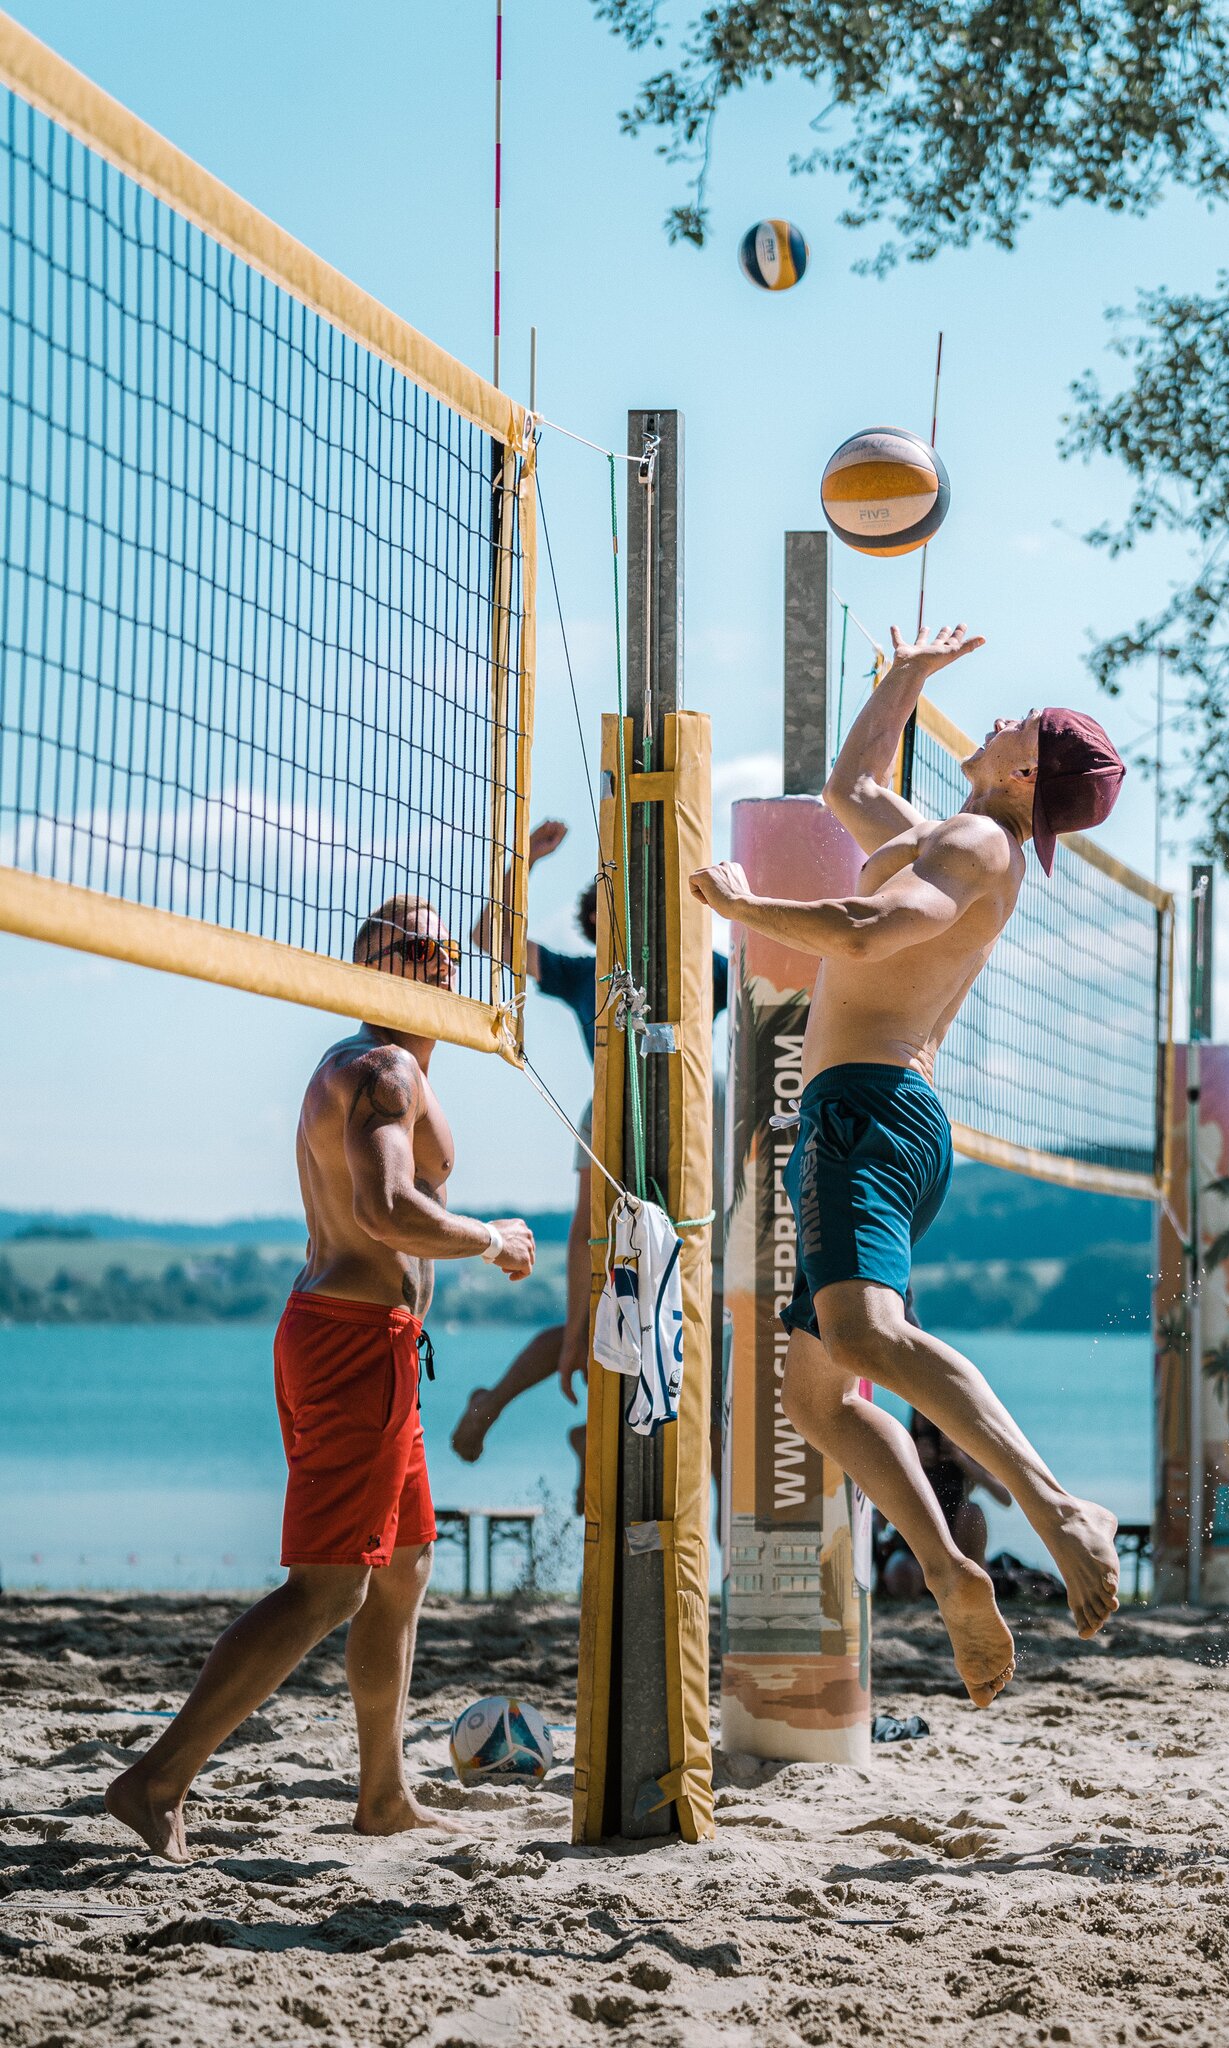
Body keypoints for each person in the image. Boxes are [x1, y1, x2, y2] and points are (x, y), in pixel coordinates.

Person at [689, 621, 1126, 1709]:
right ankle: (947, 1568)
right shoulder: (954, 833)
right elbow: (849, 785)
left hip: (867, 1112)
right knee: (819, 1398)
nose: (997, 715)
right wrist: (905, 675)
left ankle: (1057, 1504)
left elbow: (864, 929)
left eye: (1017, 718)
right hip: (872, 1118)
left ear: (1030, 767)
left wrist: (744, 909)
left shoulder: (975, 850)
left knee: (867, 1337)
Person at [106, 895, 536, 1859]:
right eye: (411, 951)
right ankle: (155, 1781)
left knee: (407, 1569)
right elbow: (385, 1208)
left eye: (442, 950)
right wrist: (492, 1239)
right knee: (328, 1588)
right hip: (351, 1342)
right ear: (369, 970)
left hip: (373, 1344)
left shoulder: (394, 1066)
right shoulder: (379, 1069)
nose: (438, 965)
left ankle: (382, 1794)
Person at [455, 820, 729, 1506]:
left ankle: (591, 1432)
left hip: (689, 1131)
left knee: (665, 1310)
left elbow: (778, 981)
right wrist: (523, 862)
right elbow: (490, 939)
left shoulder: (702, 968)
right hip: (610, 1126)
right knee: (599, 1292)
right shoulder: (585, 975)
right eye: (608, 919)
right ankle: (497, 1402)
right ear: (596, 928)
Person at [878, 1412, 1011, 1601]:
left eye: (933, 1416)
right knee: (902, 1575)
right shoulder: (905, 1445)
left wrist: (961, 1458)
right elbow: (882, 1517)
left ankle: (971, 1583)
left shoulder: (962, 1445)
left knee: (972, 1513)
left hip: (956, 1545)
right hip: (916, 1550)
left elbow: (1005, 1497)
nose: (930, 1425)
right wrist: (911, 1463)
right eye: (921, 1414)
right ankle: (929, 1590)